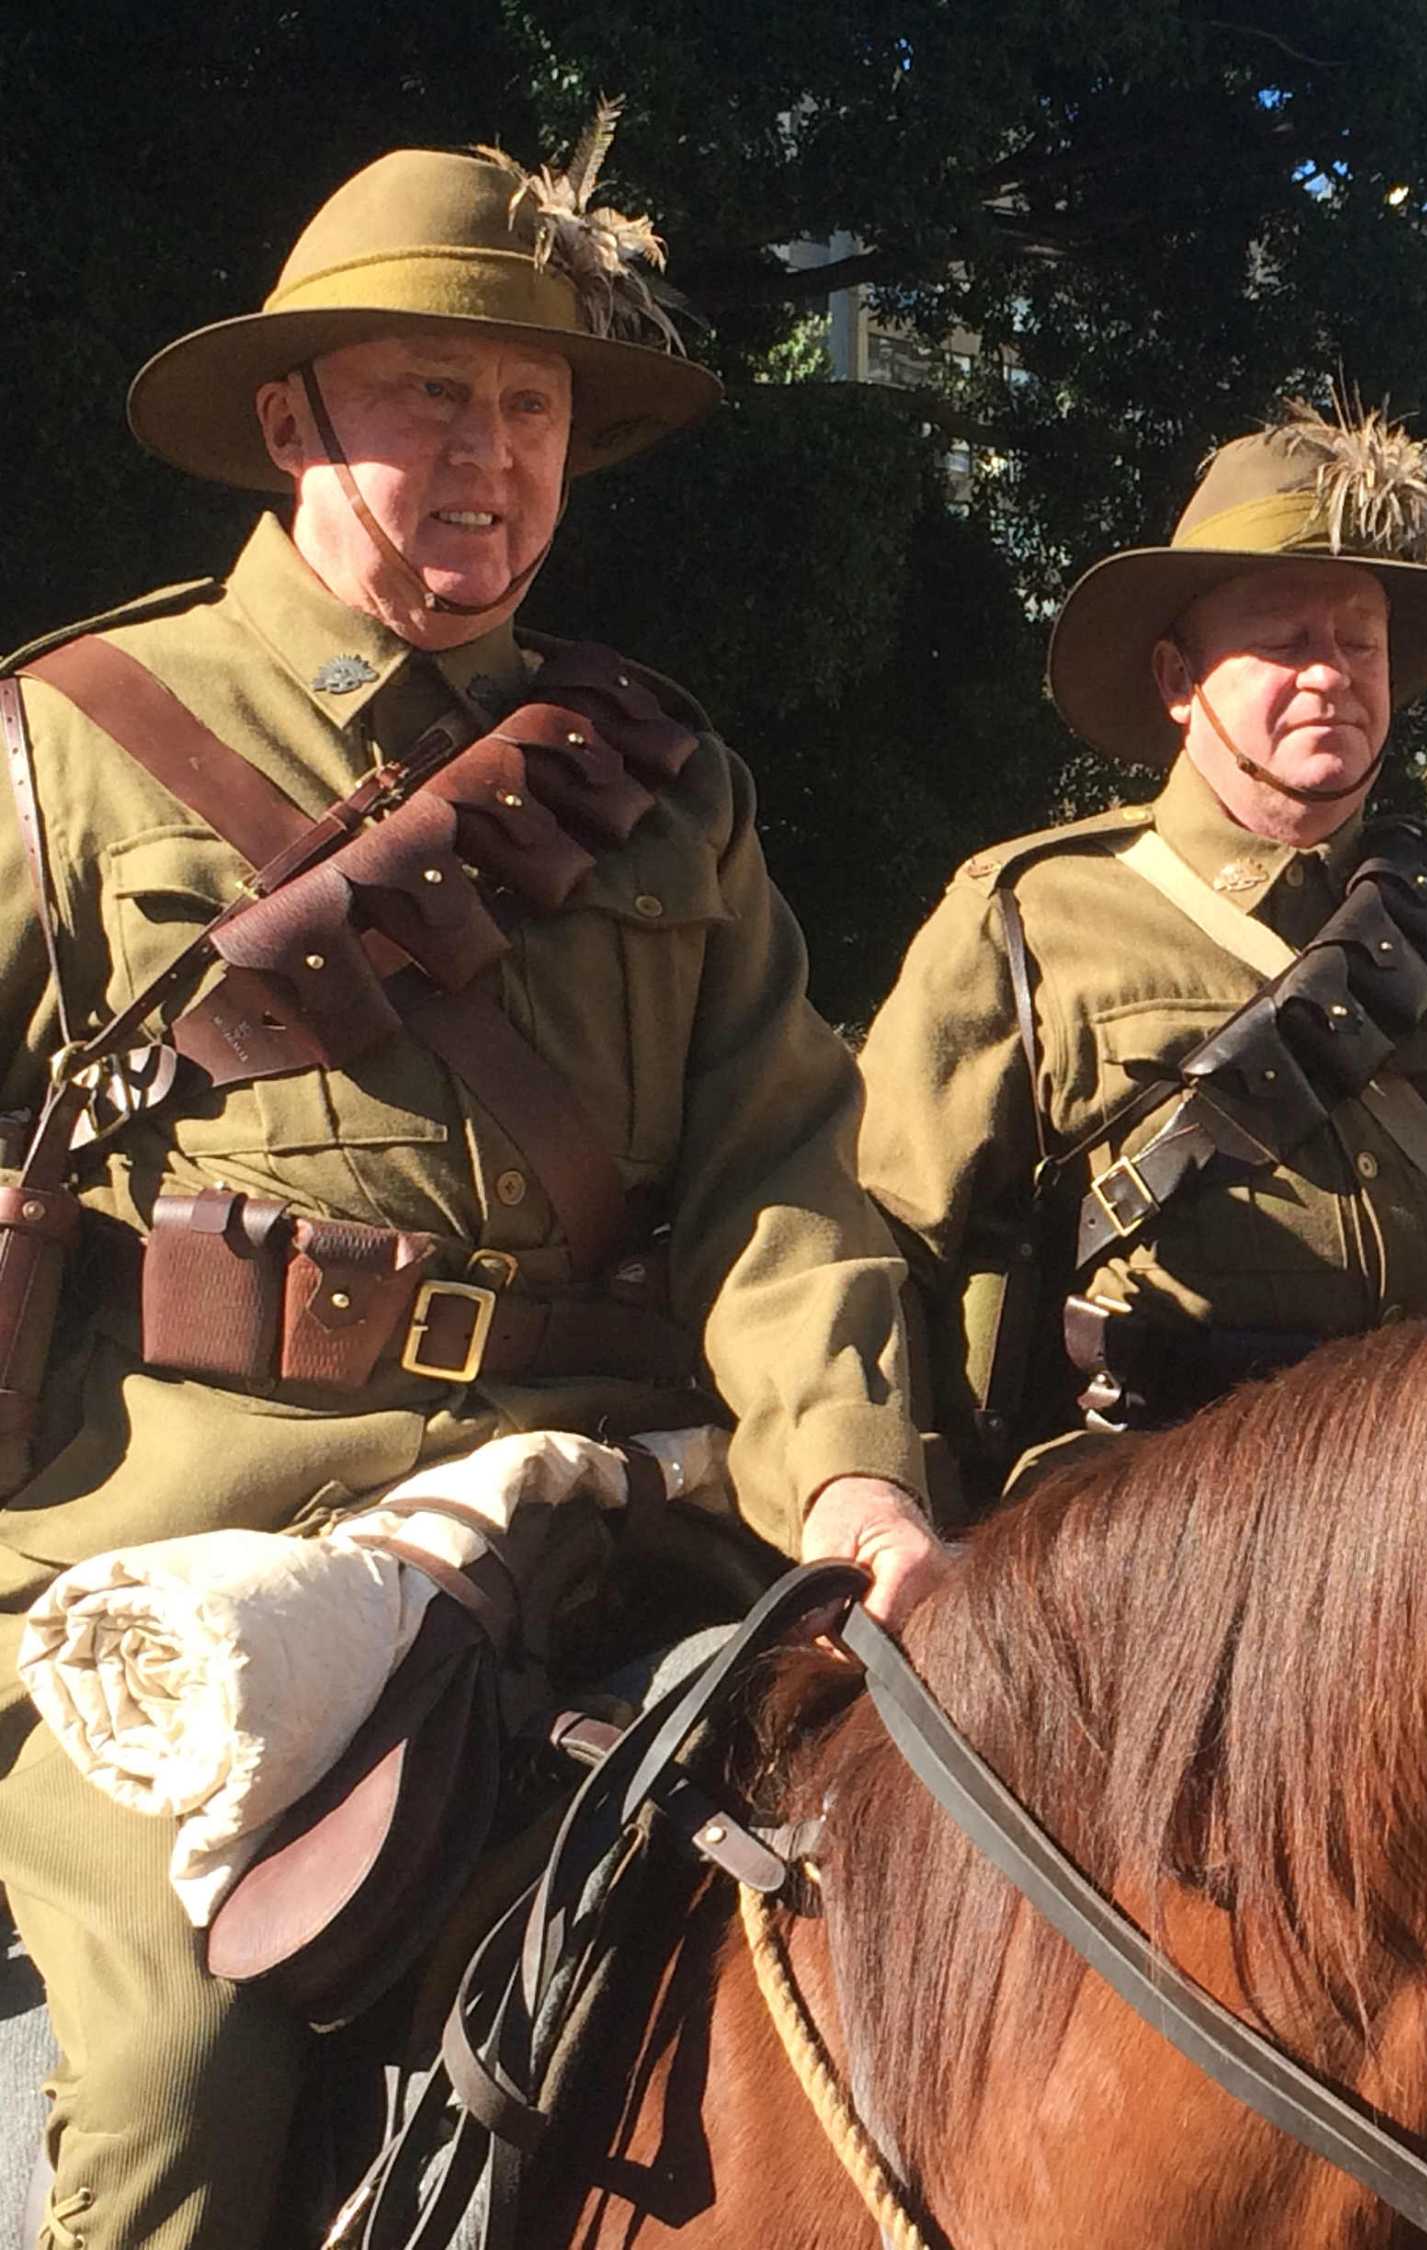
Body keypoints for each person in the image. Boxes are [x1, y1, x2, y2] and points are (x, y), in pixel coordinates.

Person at [0, 138, 944, 2249]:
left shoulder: (664, 783)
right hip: (186, 1566)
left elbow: (781, 1166)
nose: (490, 454)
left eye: (530, 410)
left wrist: (859, 1480)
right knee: (175, 2082)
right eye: (431, 392)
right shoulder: (69, 752)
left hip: (608, 1518)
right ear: (290, 419)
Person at [856, 405, 1427, 1494]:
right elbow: (882, 1240)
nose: (1330, 674)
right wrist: (880, 1496)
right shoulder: (1032, 915)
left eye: (1358, 642)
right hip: (1147, 1517)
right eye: (1284, 641)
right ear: (1181, 680)